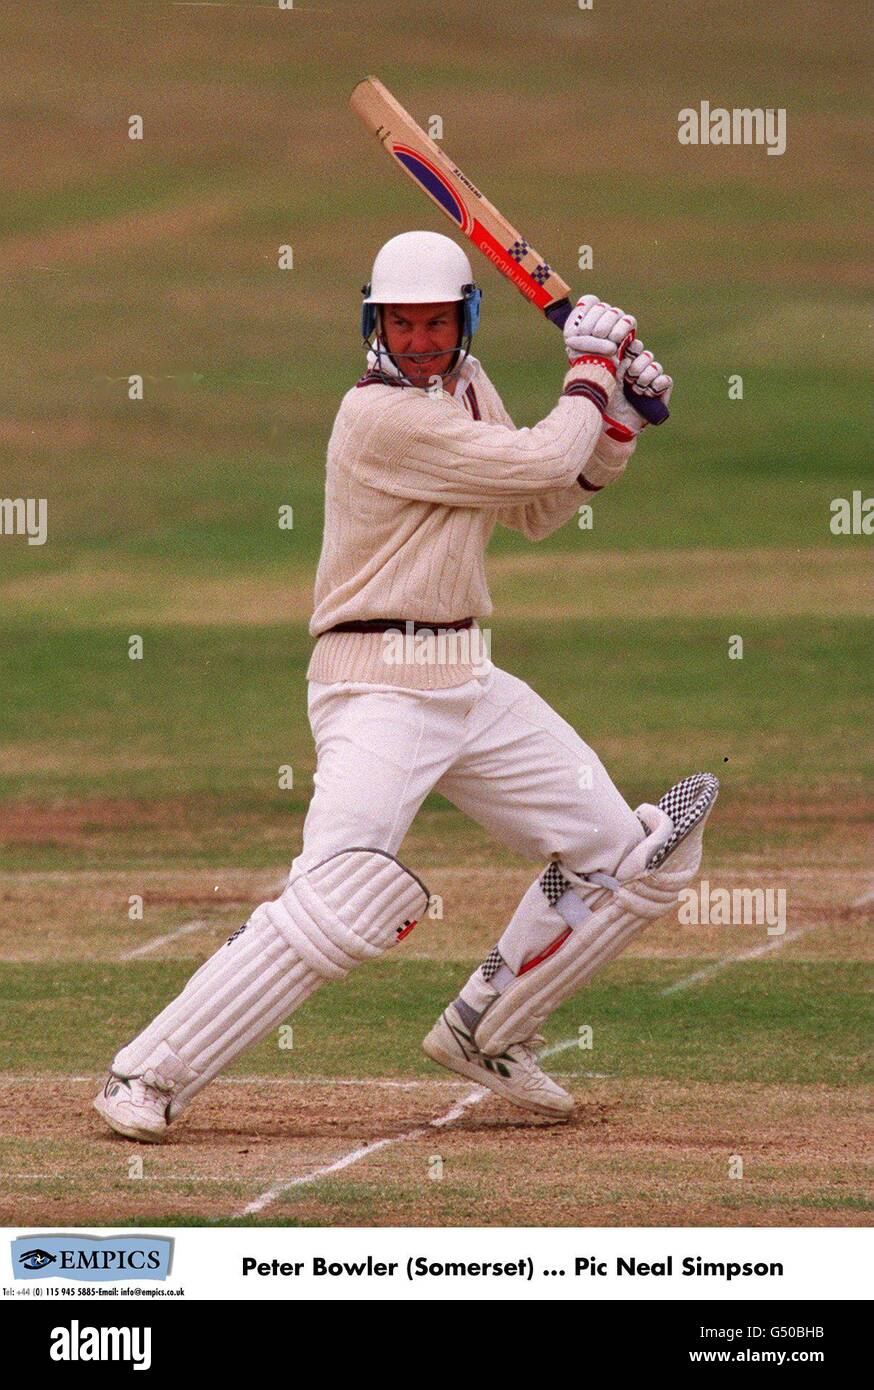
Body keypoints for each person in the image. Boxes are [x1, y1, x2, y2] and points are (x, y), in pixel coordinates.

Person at [94, 230, 716, 1142]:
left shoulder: (466, 387)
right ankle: (146, 1074)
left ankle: (488, 1032)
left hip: (464, 672)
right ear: (373, 323)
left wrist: (615, 414)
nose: (419, 339)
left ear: (463, 319)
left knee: (627, 857)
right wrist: (591, 367)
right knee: (340, 893)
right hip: (376, 683)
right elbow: (544, 460)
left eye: (435, 322)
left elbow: (541, 505)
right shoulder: (377, 417)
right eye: (401, 323)